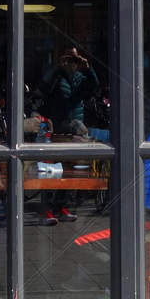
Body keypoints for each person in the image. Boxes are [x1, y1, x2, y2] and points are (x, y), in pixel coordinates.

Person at [37, 46, 99, 224]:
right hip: (56, 129)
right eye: (69, 59)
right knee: (51, 171)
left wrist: (88, 68)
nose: (72, 63)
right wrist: (58, 67)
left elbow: (94, 86)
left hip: (74, 130)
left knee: (70, 170)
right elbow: (43, 87)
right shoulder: (56, 76)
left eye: (75, 60)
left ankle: (63, 207)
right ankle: (47, 210)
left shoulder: (80, 78)